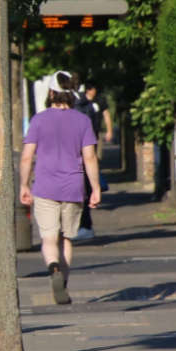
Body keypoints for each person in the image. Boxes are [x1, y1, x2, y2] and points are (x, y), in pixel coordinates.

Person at [19, 74, 100, 305]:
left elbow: (26, 157)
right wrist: (95, 188)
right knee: (66, 238)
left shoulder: (39, 120)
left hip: (44, 186)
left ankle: (52, 266)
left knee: (48, 238)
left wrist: (24, 185)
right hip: (73, 187)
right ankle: (63, 282)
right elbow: (90, 157)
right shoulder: (82, 121)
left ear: (51, 93)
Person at [72, 83, 113, 239]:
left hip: (87, 144)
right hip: (90, 142)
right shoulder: (83, 106)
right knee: (89, 173)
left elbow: (106, 114)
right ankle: (83, 225)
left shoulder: (91, 103)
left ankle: (82, 226)